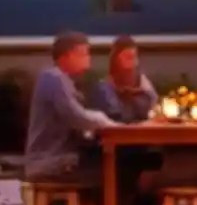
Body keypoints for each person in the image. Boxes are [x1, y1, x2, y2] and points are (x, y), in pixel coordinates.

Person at [23, 30, 117, 183]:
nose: (88, 59)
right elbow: (76, 117)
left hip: (58, 159)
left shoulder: (64, 81)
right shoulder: (53, 78)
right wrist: (104, 121)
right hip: (50, 162)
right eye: (84, 54)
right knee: (113, 173)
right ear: (67, 56)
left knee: (107, 167)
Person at [91, 35, 158, 123]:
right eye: (127, 57)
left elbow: (152, 111)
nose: (132, 63)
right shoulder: (104, 90)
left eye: (134, 57)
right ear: (116, 60)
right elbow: (114, 117)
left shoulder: (144, 86)